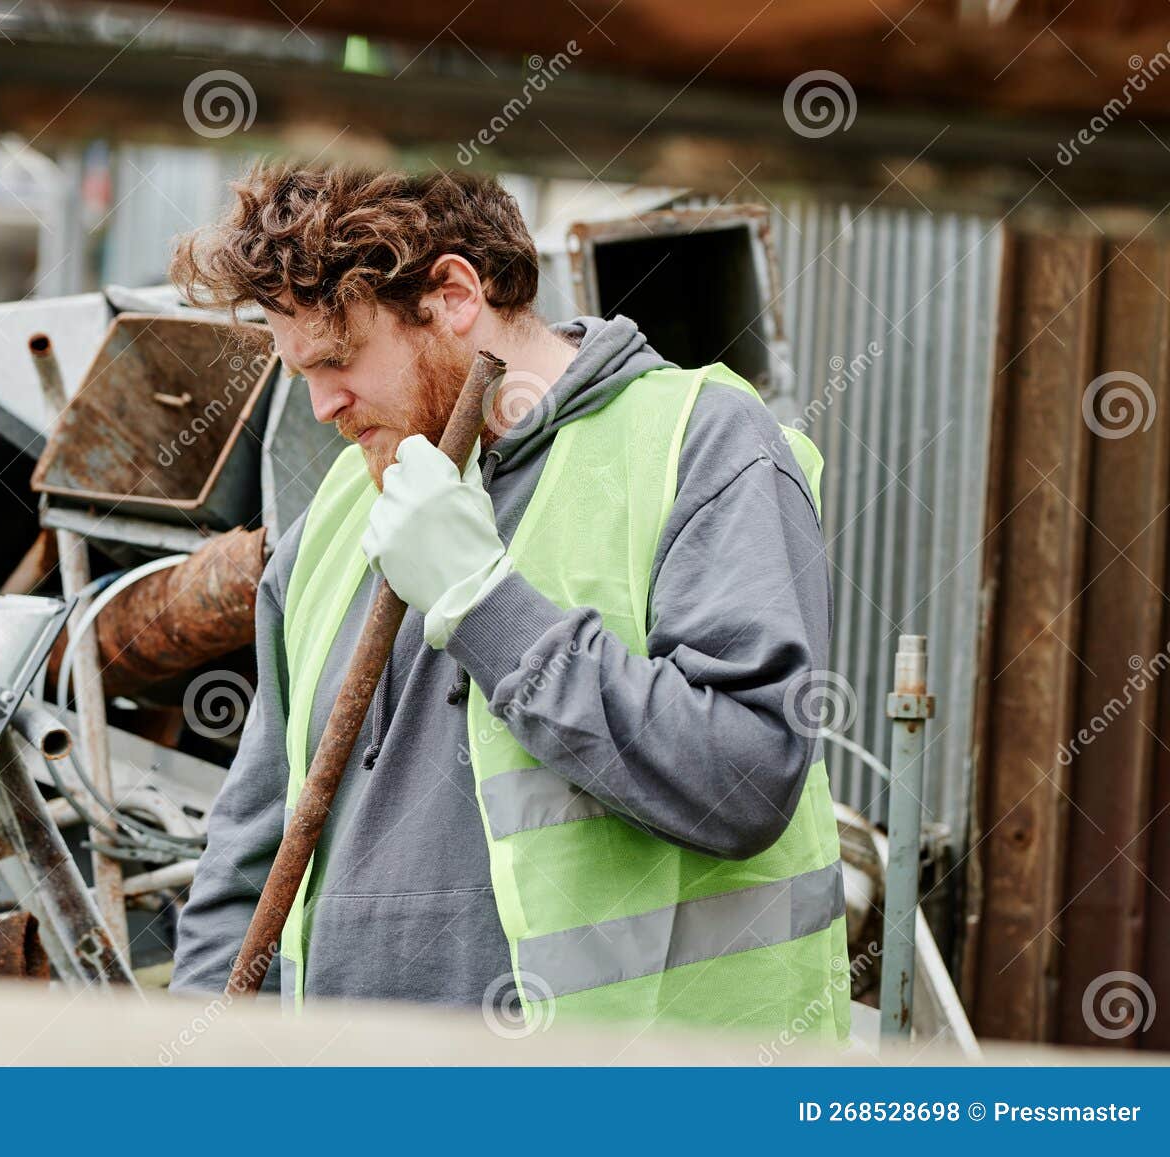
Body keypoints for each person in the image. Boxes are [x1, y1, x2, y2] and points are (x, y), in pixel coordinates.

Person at [165, 164, 848, 1040]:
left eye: (336, 359)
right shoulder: (336, 514)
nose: (322, 403)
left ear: (452, 294)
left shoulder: (702, 446)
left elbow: (743, 778)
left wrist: (483, 602)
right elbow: (247, 855)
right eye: (299, 369)